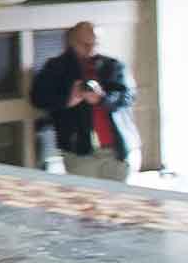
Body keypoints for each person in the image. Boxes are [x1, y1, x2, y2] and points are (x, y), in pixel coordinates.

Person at [31, 20, 138, 181]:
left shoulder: (113, 65)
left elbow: (128, 97)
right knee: (88, 201)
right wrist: (68, 99)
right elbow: (38, 98)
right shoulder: (55, 67)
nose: (90, 49)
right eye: (84, 44)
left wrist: (102, 99)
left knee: (121, 200)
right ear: (71, 42)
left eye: (95, 44)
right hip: (79, 152)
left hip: (117, 150)